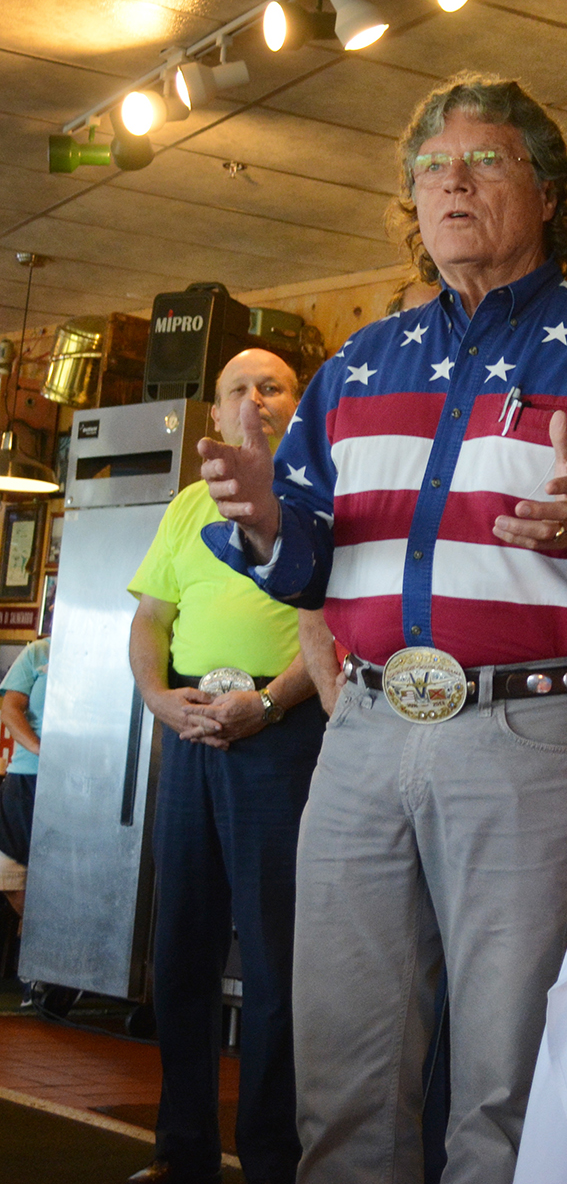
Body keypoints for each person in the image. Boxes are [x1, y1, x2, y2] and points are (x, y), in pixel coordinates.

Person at [199, 73, 567, 1184]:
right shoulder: (358, 366)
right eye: (431, 167)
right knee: (340, 1074)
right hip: (359, 735)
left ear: (546, 191)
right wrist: (264, 521)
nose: (452, 180)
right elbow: (310, 563)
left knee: (503, 1083)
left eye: (485, 160)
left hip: (530, 741)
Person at [126, 348, 322, 1184]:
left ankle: (273, 1161)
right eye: (237, 389)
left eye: (271, 386)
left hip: (279, 736)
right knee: (181, 952)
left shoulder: (318, 501)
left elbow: (337, 632)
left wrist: (270, 704)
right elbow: (149, 620)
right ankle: (184, 1155)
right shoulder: (183, 508)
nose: (255, 400)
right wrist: (160, 702)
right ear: (214, 416)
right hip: (188, 731)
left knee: (276, 961)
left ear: (295, 405)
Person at [0, 635, 49, 918]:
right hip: (28, 774)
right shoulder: (39, 652)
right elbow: (9, 709)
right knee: (11, 871)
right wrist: (39, 749)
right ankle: (36, 937)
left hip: (85, 779)